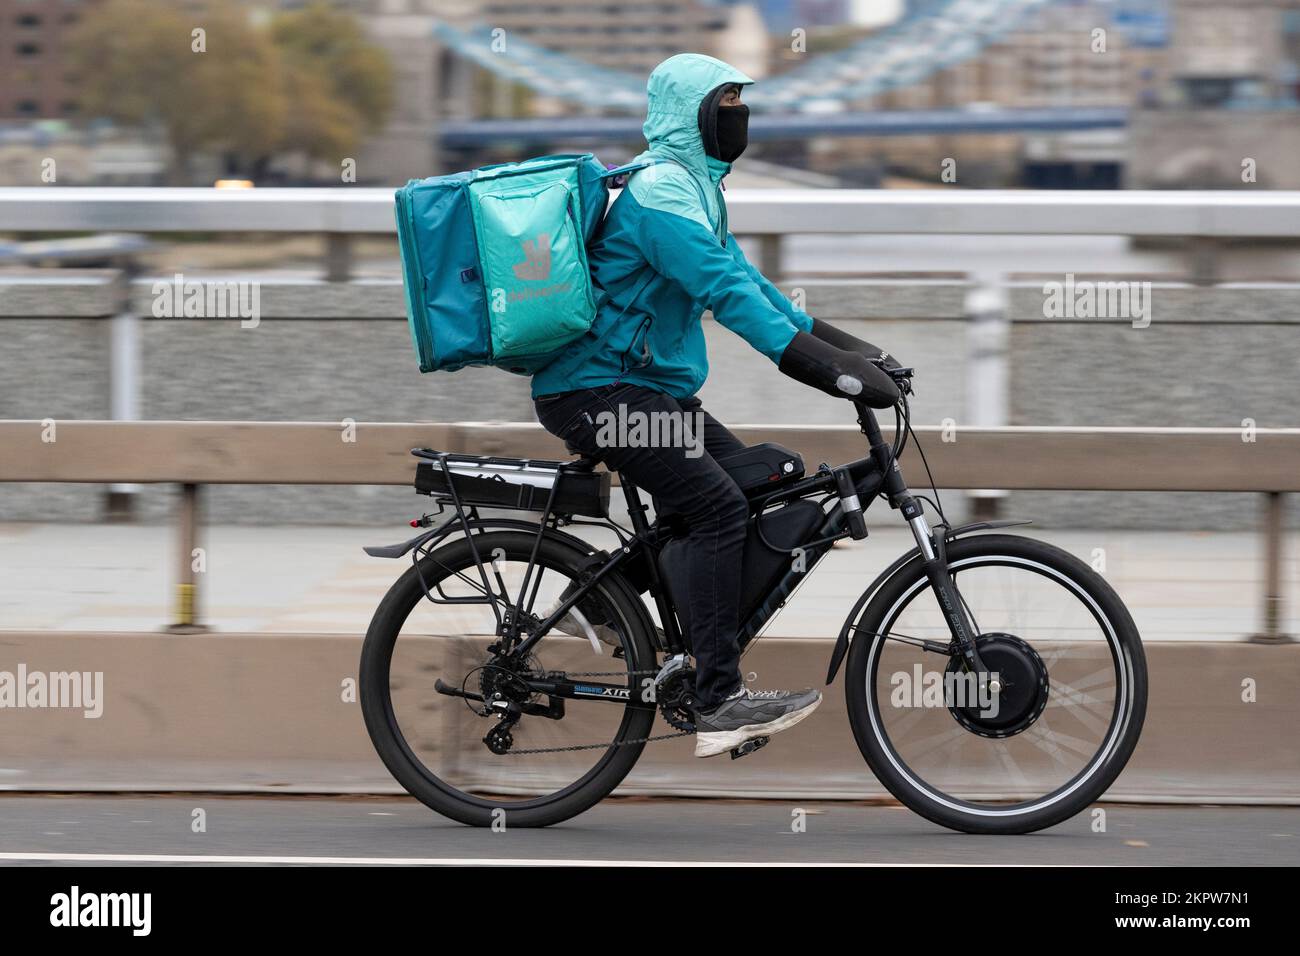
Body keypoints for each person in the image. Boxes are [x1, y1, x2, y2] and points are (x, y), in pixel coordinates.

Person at [534, 53, 900, 758]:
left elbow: (753, 285)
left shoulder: (695, 187)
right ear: (692, 112)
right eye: (726, 99)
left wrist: (859, 352)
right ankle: (717, 700)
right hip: (594, 393)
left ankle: (604, 603)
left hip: (641, 391)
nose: (739, 112)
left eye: (740, 98)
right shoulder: (660, 193)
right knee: (718, 508)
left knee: (762, 479)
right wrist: (827, 374)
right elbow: (725, 296)